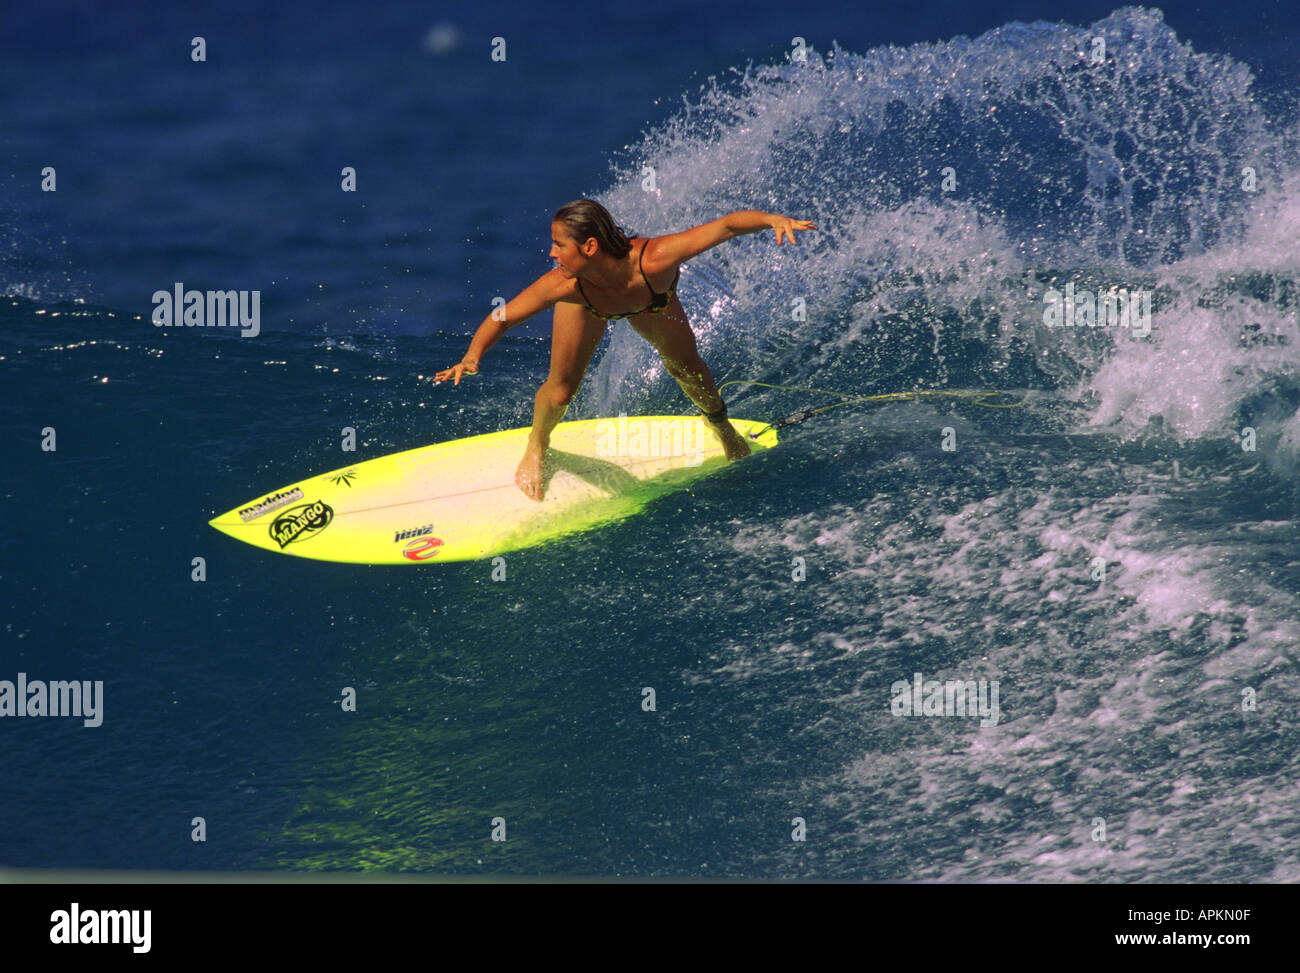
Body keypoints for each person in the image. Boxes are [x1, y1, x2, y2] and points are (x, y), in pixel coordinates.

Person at [434, 198, 816, 500]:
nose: (551, 254)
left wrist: (771, 220)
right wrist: (473, 355)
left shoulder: (655, 260)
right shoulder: (567, 285)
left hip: (651, 301)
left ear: (589, 246)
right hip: (590, 304)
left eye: (558, 245)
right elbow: (504, 316)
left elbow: (727, 226)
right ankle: (538, 443)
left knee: (688, 369)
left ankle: (721, 426)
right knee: (562, 389)